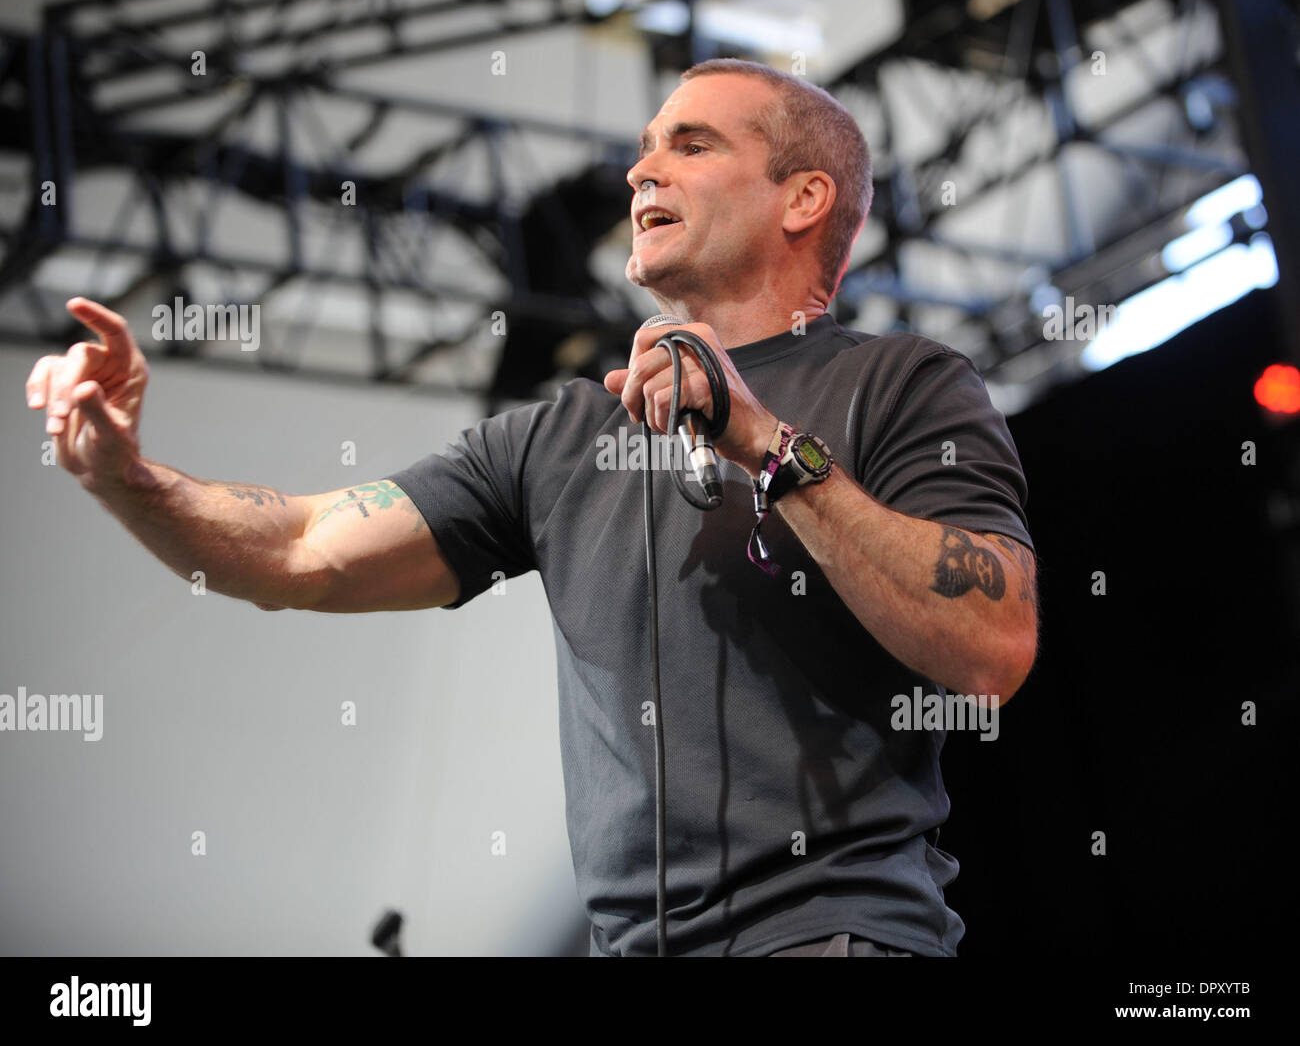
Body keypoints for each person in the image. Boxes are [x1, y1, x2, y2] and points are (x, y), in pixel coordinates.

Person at [25, 58, 1037, 957]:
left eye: (691, 144)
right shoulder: (556, 436)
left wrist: (763, 444)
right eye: (644, 150)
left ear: (803, 197)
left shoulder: (903, 384)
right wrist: (128, 475)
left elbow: (991, 642)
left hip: (831, 933)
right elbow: (299, 547)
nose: (643, 171)